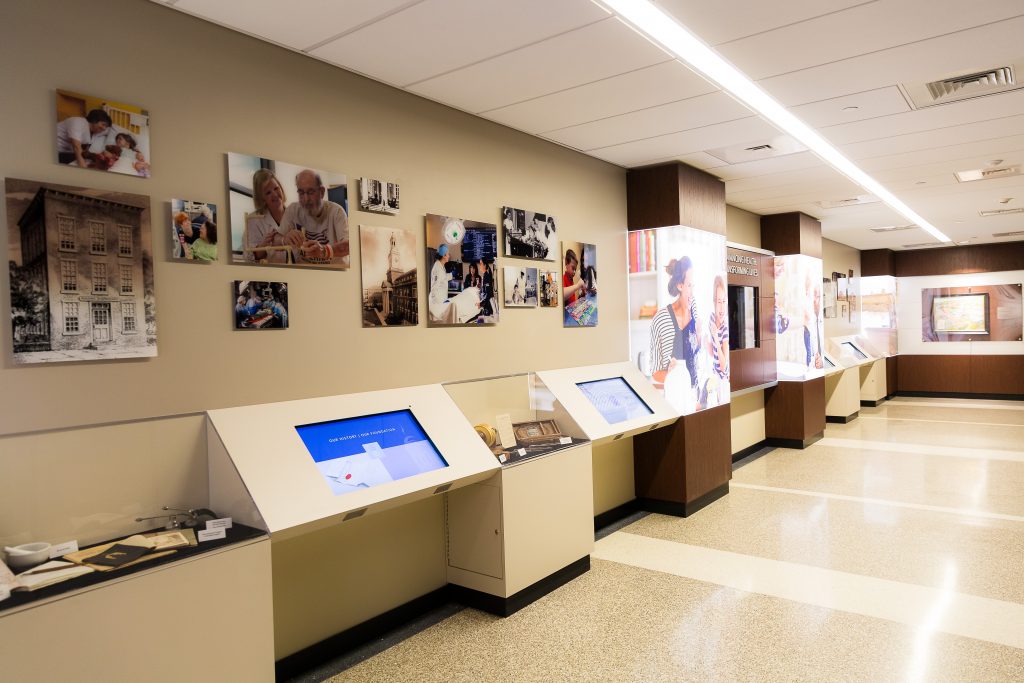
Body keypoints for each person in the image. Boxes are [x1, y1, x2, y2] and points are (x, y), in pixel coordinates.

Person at [649, 256, 703, 411]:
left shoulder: (694, 310)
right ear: (680, 285)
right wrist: (673, 376)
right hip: (673, 403)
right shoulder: (660, 319)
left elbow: (696, 360)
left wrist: (700, 336)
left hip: (694, 402)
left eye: (694, 285)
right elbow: (655, 371)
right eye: (689, 286)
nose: (692, 292)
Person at [280, 169, 349, 267]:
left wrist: (324, 251)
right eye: (301, 193)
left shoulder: (337, 212)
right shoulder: (292, 210)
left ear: (322, 192)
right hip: (304, 274)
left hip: (334, 273)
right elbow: (276, 238)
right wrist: (284, 239)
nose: (306, 199)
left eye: (310, 192)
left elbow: (349, 246)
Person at [244, 169, 289, 264]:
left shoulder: (295, 214)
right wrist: (263, 246)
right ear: (262, 198)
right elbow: (248, 258)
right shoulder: (253, 220)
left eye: (276, 188)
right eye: (268, 193)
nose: (275, 194)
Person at [428, 244, 458, 324]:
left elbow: (443, 278)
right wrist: (440, 304)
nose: (449, 255)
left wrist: (452, 274)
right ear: (444, 255)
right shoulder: (437, 268)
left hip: (441, 303)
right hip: (436, 306)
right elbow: (434, 290)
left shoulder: (441, 266)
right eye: (448, 254)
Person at [708, 275, 729, 380]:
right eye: (719, 302)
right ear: (714, 303)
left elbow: (723, 366)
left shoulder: (725, 329)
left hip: (723, 380)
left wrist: (716, 338)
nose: (722, 308)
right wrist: (704, 337)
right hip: (714, 376)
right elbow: (712, 353)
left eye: (724, 302)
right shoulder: (711, 319)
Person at [804, 276, 824, 370]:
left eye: (817, 296)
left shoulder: (822, 321)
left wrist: (822, 361)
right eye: (811, 295)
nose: (814, 300)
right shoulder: (805, 323)